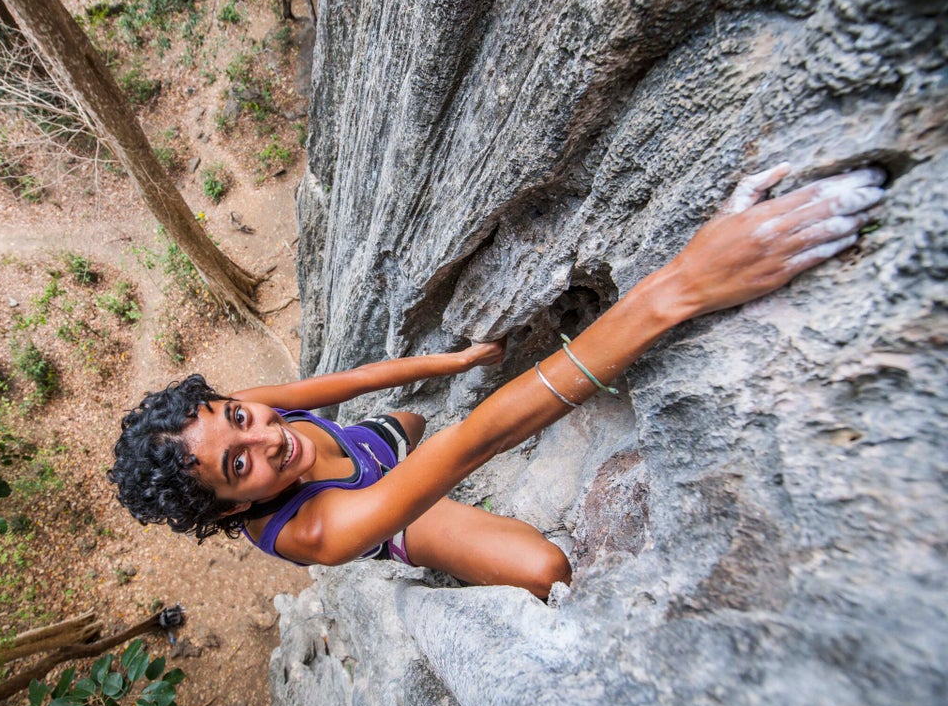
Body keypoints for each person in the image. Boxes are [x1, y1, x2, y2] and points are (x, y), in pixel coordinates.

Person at [109, 164, 886, 598]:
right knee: (544, 569)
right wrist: (680, 286)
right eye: (237, 465)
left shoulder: (254, 417)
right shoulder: (318, 533)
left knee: (409, 425)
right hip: (387, 517)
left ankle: (410, 443)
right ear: (233, 507)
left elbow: (348, 380)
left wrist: (448, 363)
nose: (266, 436)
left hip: (372, 445)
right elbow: (484, 435)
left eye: (237, 417)